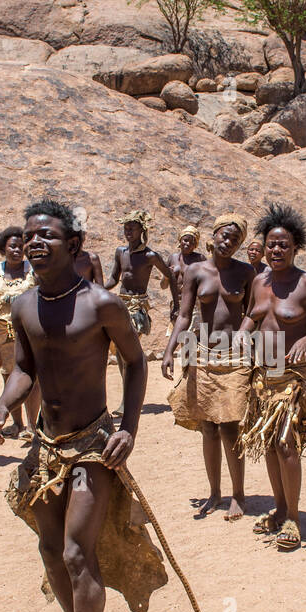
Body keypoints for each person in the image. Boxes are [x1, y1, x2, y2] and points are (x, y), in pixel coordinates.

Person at [0, 200, 167, 612]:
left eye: (47, 235)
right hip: (46, 446)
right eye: (29, 235)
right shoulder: (24, 305)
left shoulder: (101, 304)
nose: (35, 243)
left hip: (92, 445)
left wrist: (129, 429)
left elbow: (135, 363)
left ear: (74, 244)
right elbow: (25, 368)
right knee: (50, 550)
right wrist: (2, 404)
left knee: (75, 552)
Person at [238, 203, 306, 552]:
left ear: (296, 247)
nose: (276, 250)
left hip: (295, 376)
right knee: (268, 443)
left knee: (285, 443)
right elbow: (253, 315)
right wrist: (242, 333)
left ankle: (293, 517)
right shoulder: (259, 281)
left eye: (283, 245)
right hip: (263, 374)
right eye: (271, 244)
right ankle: (279, 510)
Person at [161, 214, 257, 520]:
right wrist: (170, 349)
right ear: (214, 235)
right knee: (208, 428)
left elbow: (253, 311)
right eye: (224, 235)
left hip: (235, 358)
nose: (228, 242)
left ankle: (238, 495)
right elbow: (184, 314)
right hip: (201, 354)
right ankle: (215, 493)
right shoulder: (195, 271)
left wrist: (246, 336)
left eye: (235, 239)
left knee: (230, 427)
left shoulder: (246, 272)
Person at [104, 210, 175, 412]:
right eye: (126, 228)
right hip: (121, 305)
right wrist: (96, 288)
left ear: (141, 230)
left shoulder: (150, 256)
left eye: (132, 229)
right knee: (119, 352)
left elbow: (169, 274)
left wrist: (176, 305)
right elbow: (114, 279)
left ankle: (129, 399)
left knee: (128, 350)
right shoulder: (120, 252)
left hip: (138, 308)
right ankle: (128, 397)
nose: (128, 232)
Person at [0, 225, 40, 441]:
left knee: (32, 379)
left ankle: (32, 426)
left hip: (29, 333)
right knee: (9, 376)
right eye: (12, 246)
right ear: (3, 249)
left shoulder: (33, 271)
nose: (17, 250)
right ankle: (17, 424)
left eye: (20, 246)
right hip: (3, 335)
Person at [166, 225, 206, 320]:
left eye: (192, 242)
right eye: (185, 240)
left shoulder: (200, 259)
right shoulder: (172, 258)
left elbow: (208, 281)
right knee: (176, 328)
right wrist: (167, 275)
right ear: (180, 240)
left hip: (194, 304)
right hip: (176, 303)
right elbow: (163, 285)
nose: (188, 244)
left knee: (201, 328)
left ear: (195, 245)